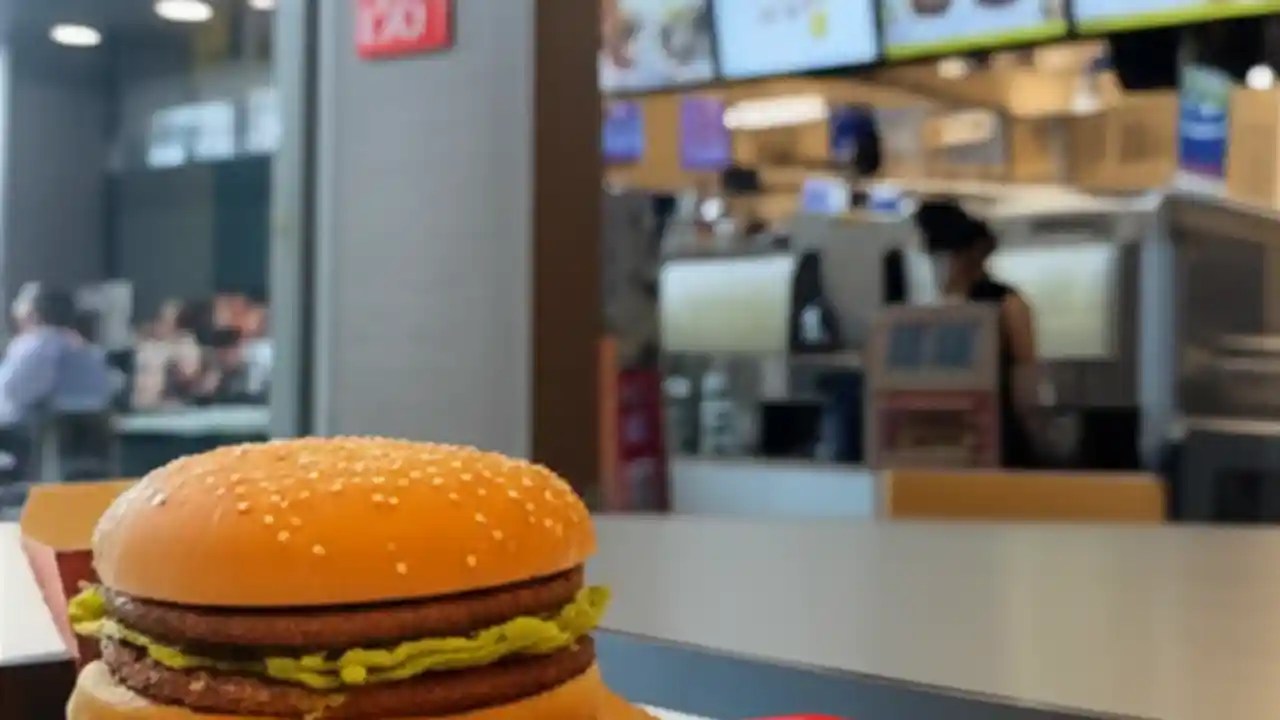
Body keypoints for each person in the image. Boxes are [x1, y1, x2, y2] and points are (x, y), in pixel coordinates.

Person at [914, 200, 1042, 468]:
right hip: (947, 434)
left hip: (998, 432)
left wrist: (1031, 426)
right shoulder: (933, 310)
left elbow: (1025, 377)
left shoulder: (1006, 304)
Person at [0, 283, 115, 477]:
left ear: (32, 311)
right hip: (89, 432)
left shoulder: (38, 343)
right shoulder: (83, 345)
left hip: (39, 436)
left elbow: (16, 391)